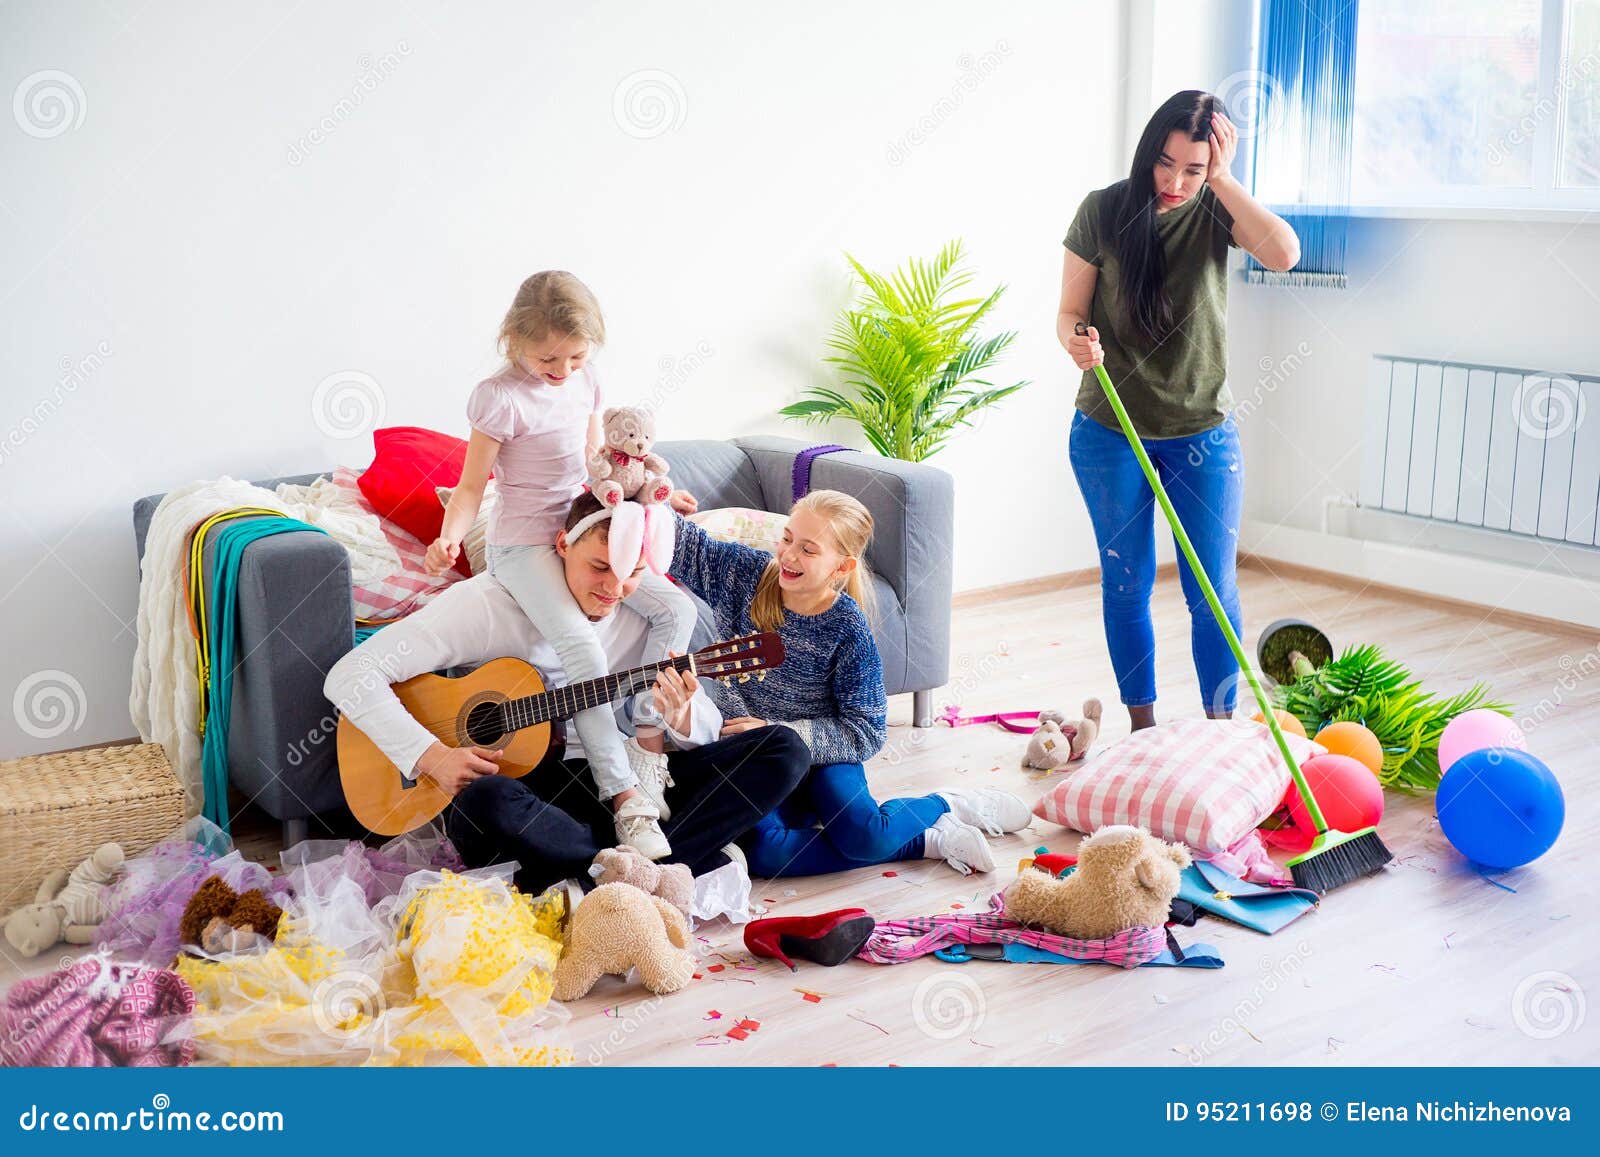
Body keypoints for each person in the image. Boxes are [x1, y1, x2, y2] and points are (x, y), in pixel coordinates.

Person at [326, 492, 810, 894]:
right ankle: (645, 870)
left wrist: (680, 716)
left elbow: (696, 735)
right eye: (600, 566)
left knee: (784, 750)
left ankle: (617, 875)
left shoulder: (652, 615)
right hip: (541, 794)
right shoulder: (487, 605)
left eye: (632, 573)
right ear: (562, 545)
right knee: (485, 802)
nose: (614, 588)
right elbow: (350, 675)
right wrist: (430, 756)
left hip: (635, 791)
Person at [423, 270, 697, 858]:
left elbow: (602, 466)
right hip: (524, 543)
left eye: (576, 355)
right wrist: (450, 536)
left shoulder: (586, 381)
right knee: (583, 651)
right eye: (550, 356)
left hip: (582, 523)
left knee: (675, 608)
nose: (564, 368)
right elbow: (471, 487)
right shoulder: (498, 397)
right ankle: (623, 799)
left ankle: (644, 746)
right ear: (514, 338)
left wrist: (657, 494)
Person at [1056, 90, 1300, 731]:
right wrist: (1077, 341)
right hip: (1111, 429)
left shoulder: (1217, 209)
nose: (1174, 181)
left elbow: (1284, 253)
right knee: (1127, 584)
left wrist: (1221, 181)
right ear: (1148, 151)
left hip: (1203, 429)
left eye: (1193, 169)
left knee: (1211, 594)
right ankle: (1144, 731)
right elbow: (1068, 312)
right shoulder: (1104, 210)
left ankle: (1220, 731)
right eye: (1166, 164)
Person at [669, 489, 1032, 878]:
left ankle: (948, 804)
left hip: (825, 759)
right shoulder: (742, 576)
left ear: (841, 567)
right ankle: (927, 841)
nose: (789, 556)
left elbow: (867, 730)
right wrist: (659, 505)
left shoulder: (847, 627)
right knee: (764, 855)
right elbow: (679, 545)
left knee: (865, 837)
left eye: (808, 550)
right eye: (788, 538)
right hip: (755, 760)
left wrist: (782, 734)